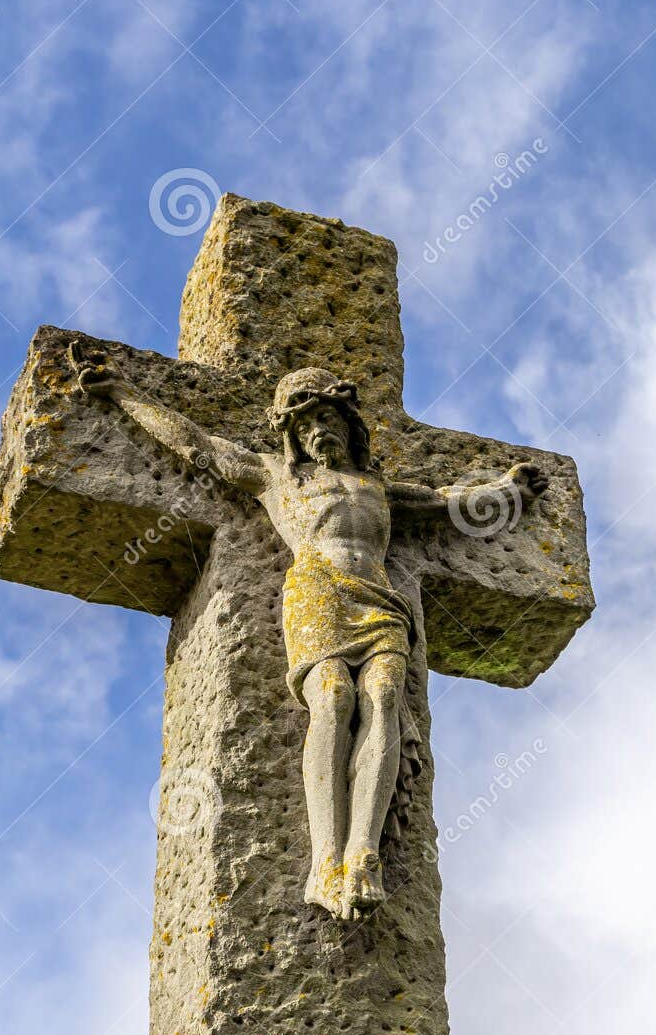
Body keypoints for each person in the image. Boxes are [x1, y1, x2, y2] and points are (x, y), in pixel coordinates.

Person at [70, 345, 544, 920]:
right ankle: (325, 861)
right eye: (308, 422)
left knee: (386, 697)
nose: (321, 430)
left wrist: (509, 490)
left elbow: (449, 504)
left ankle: (363, 851)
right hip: (318, 592)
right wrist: (124, 394)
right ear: (292, 433)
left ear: (350, 426)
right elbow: (197, 446)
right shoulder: (275, 477)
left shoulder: (378, 489)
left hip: (379, 599)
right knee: (333, 698)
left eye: (330, 418)